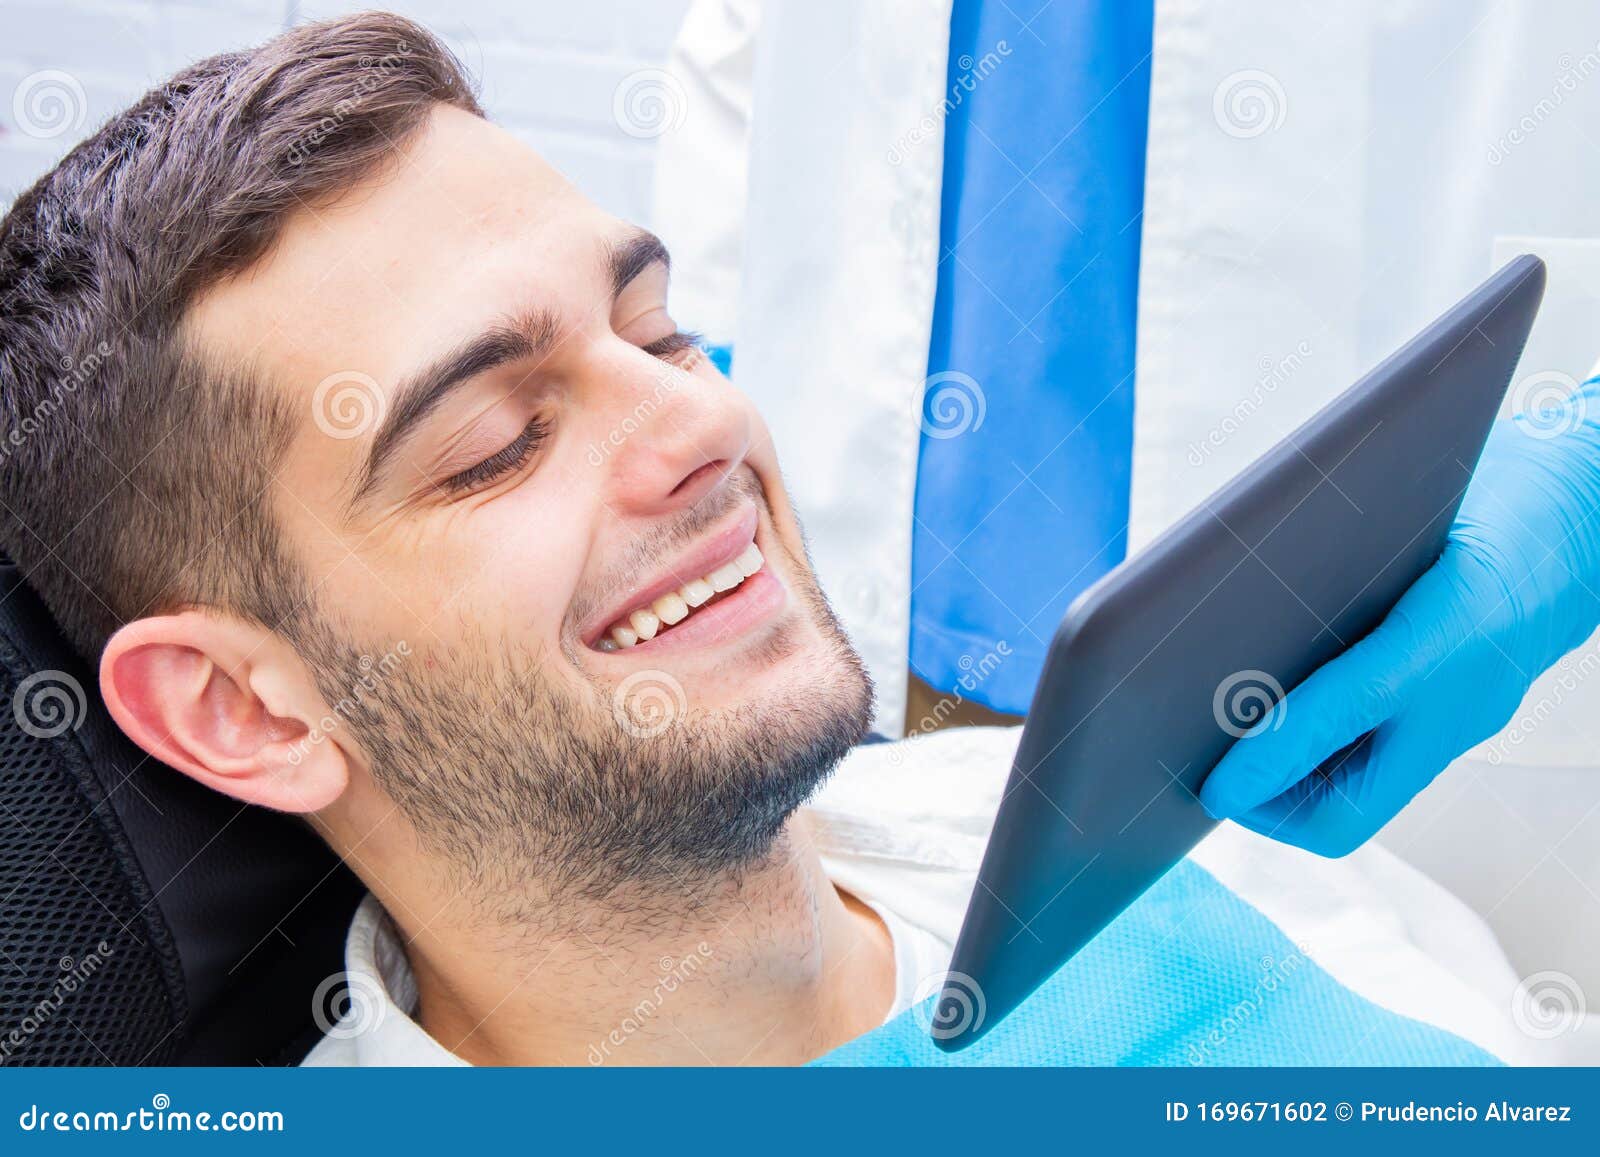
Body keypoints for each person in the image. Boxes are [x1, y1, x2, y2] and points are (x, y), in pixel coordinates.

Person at [0, 13, 1573, 1066]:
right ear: (244, 707)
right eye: (494, 444)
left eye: (662, 332)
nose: (706, 426)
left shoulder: (1074, 832)